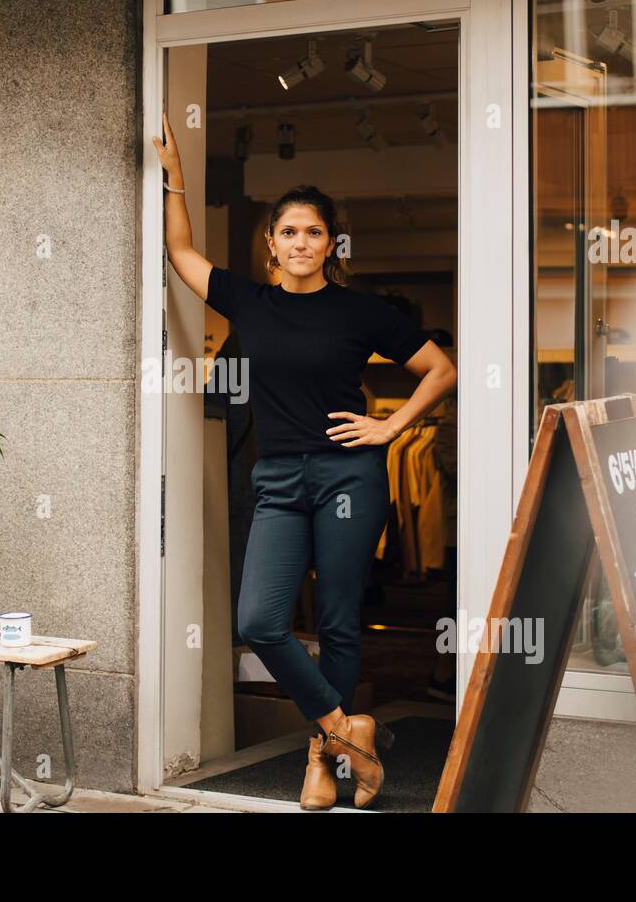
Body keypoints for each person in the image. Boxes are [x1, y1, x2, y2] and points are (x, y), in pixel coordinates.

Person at [152, 113, 457, 810]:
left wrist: (388, 428)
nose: (300, 242)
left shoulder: (361, 312)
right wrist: (175, 175)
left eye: (313, 231)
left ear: (331, 243)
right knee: (259, 618)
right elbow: (180, 250)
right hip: (279, 480)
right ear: (271, 243)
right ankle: (347, 729)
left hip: (348, 476)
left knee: (342, 622)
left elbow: (440, 369)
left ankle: (324, 763)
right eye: (288, 230)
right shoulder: (248, 302)